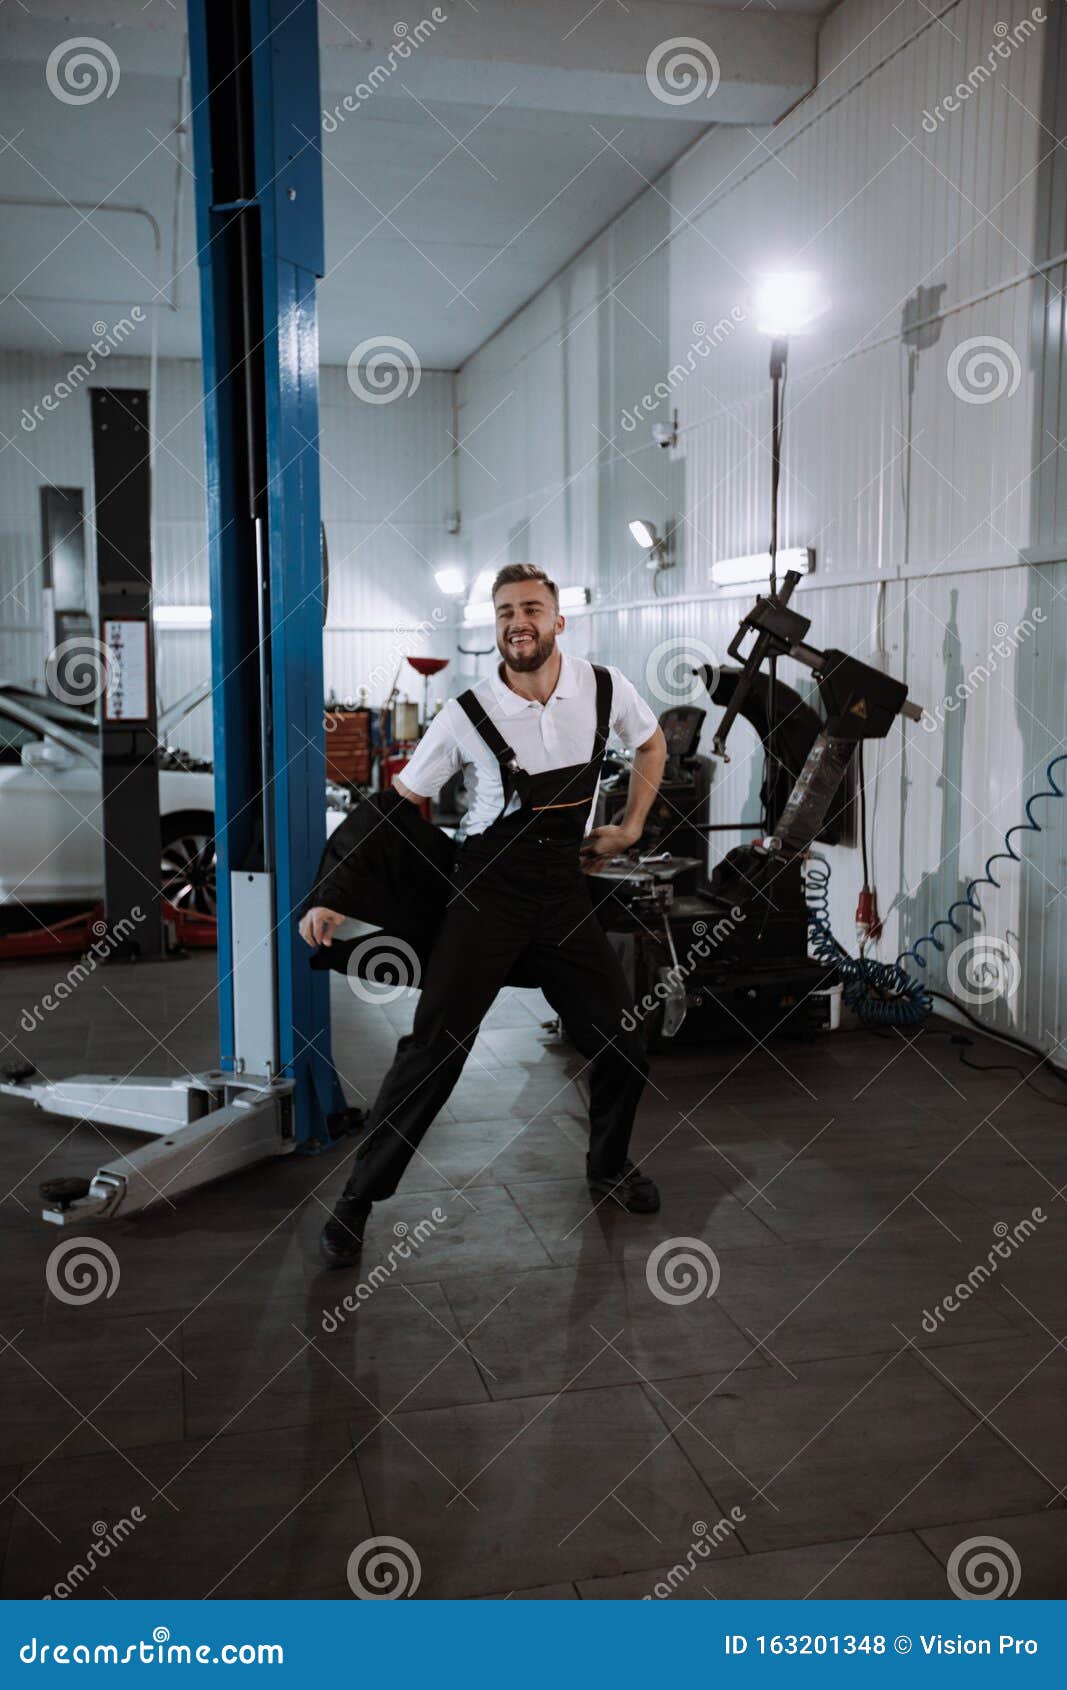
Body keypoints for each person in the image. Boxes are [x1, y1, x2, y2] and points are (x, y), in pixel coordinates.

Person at [300, 563, 668, 1267]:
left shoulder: (604, 688)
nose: (517, 622)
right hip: (485, 896)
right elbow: (395, 804)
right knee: (432, 1053)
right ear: (495, 626)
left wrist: (628, 827)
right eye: (504, 612)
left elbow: (651, 743)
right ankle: (356, 1202)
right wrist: (332, 892)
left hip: (562, 894)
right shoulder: (465, 713)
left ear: (558, 620)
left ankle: (608, 1164)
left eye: (530, 608)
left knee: (622, 1044)